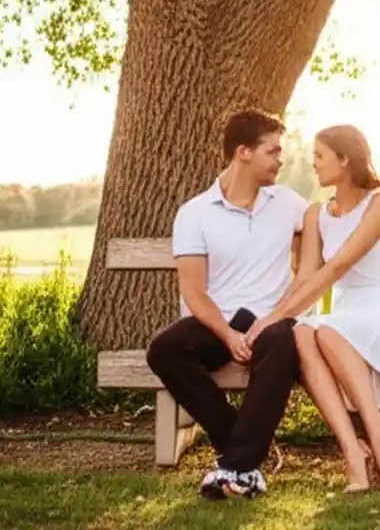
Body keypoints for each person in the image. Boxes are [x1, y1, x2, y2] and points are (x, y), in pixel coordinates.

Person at [246, 125, 380, 492]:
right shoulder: (317, 214)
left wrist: (272, 318)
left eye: (319, 156)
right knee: (302, 331)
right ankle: (352, 451)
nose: (313, 164)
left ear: (345, 160)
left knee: (328, 330)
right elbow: (306, 278)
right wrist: (274, 319)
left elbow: (336, 268)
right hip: (350, 314)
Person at [144, 109, 309, 500]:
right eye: (273, 151)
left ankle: (235, 465)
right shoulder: (195, 214)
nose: (280, 159)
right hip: (220, 321)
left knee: (281, 341)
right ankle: (241, 450)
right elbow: (195, 293)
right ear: (243, 153)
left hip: (272, 320)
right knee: (164, 350)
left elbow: (337, 223)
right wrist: (228, 334)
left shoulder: (289, 203)